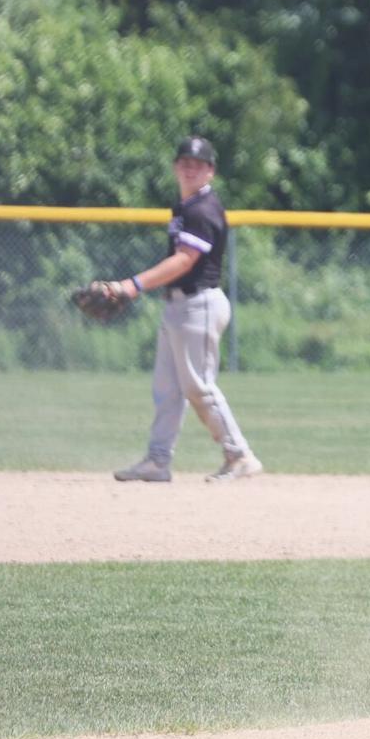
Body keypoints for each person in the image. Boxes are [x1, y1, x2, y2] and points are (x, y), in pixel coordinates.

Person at [110, 137, 263, 484]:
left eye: (198, 163)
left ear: (211, 170)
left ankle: (239, 454)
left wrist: (133, 285)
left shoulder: (201, 208)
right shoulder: (183, 206)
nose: (190, 167)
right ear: (176, 167)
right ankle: (157, 460)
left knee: (198, 387)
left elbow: (184, 260)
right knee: (167, 388)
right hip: (178, 305)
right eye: (184, 161)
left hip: (199, 304)